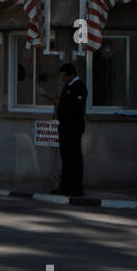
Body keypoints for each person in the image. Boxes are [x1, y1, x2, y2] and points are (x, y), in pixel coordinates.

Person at [51, 63, 86, 196]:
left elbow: (75, 107)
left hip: (73, 127)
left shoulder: (79, 87)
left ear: (71, 75)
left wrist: (61, 103)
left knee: (74, 157)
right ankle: (65, 186)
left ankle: (77, 187)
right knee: (66, 157)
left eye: (64, 76)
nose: (62, 79)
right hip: (65, 126)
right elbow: (66, 101)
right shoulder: (68, 86)